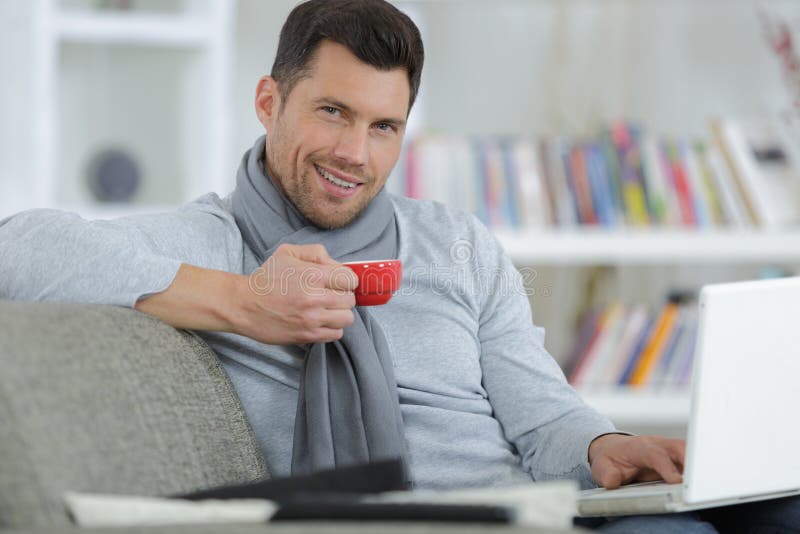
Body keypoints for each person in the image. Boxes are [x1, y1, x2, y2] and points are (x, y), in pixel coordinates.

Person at [0, 1, 797, 532]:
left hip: (538, 507)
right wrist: (245, 303)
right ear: (269, 102)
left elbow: (541, 412)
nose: (355, 153)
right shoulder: (209, 242)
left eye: (385, 127)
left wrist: (601, 445)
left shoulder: (459, 244)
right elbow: (19, 247)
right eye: (333, 112)